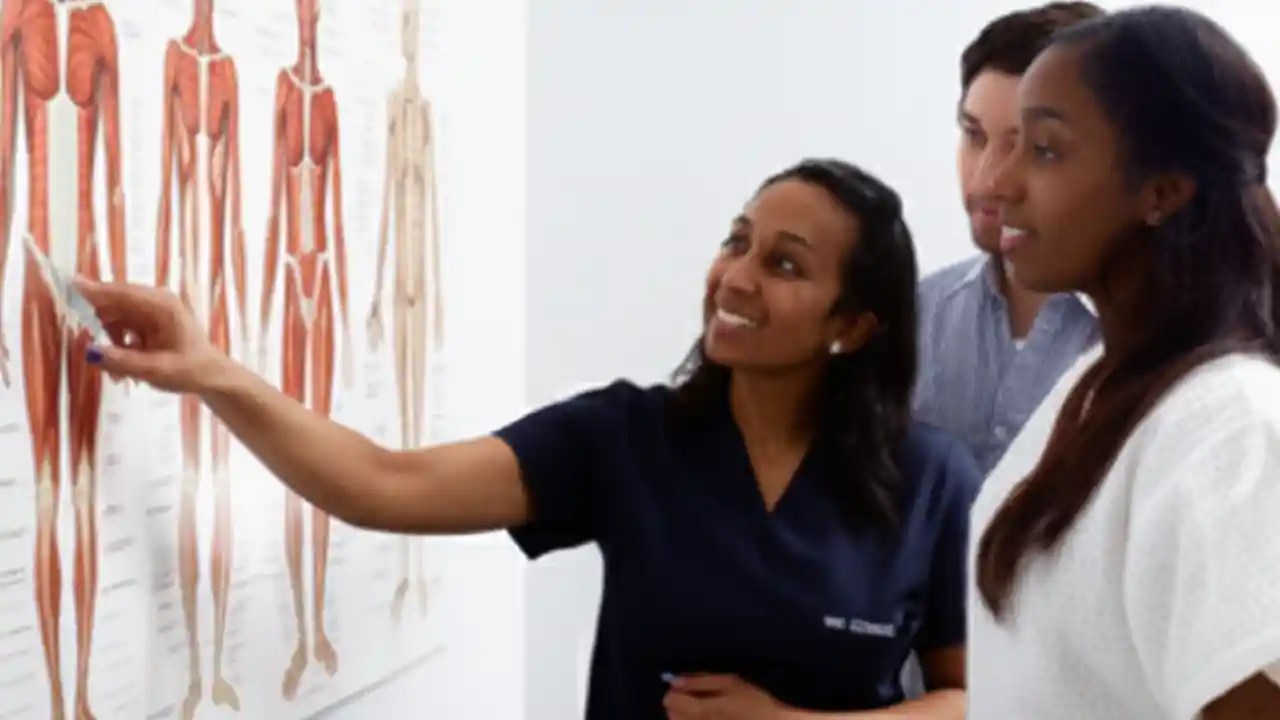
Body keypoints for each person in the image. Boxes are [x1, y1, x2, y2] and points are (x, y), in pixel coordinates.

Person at [76, 159, 980, 718]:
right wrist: (211, 372)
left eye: (783, 264)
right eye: (736, 241)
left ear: (853, 326)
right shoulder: (624, 439)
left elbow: (970, 699)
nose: (736, 277)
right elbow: (380, 484)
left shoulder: (933, 479)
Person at [969, 7, 1280, 718]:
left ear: (1161, 191)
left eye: (1045, 149)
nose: (999, 182)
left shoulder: (1227, 430)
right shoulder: (1095, 384)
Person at [915, 1, 1103, 476]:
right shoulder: (915, 317)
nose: (986, 179)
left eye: (1028, 147)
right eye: (974, 135)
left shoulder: (1163, 340)